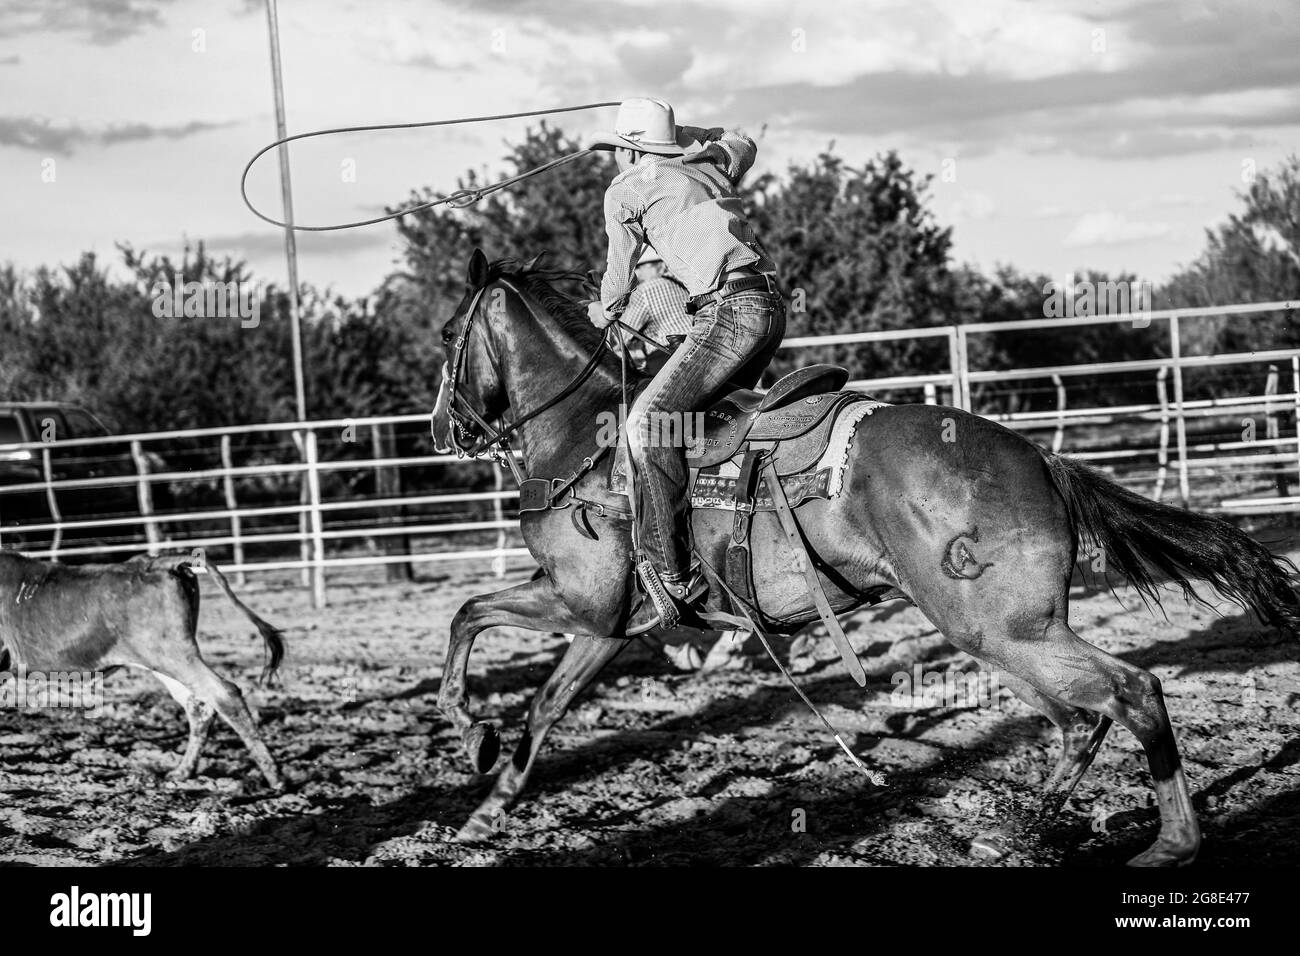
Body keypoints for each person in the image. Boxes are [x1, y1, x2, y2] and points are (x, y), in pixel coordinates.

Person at [586, 97, 786, 633]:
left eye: (618, 150)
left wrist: (600, 311)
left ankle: (669, 573)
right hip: (769, 308)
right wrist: (679, 136)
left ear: (627, 149)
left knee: (649, 426)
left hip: (728, 313)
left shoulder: (624, 191)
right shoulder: (710, 163)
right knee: (712, 429)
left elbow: (617, 279)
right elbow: (741, 135)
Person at [608, 246, 690, 371]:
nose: (637, 273)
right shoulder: (681, 284)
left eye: (640, 267)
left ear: (658, 265)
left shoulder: (646, 289)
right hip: (695, 346)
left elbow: (622, 335)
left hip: (667, 355)